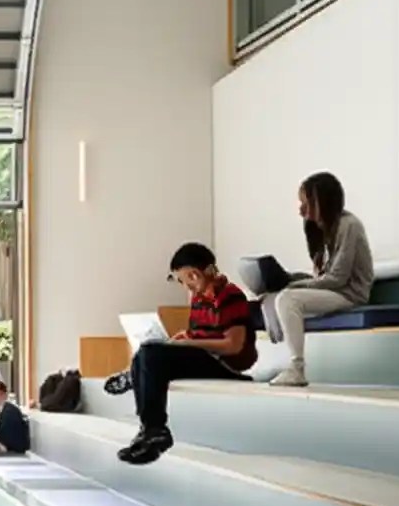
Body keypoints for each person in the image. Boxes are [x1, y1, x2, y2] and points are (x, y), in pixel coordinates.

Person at [104, 243, 255, 465]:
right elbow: (197, 334)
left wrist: (190, 343)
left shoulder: (231, 296)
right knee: (147, 351)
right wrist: (178, 341)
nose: (186, 287)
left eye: (184, 280)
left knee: (151, 356)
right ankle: (148, 424)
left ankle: (154, 427)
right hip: (204, 356)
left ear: (194, 274)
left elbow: (233, 346)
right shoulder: (198, 298)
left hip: (225, 364)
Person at [263, 172, 373, 387]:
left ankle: (296, 368)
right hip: (334, 290)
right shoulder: (321, 228)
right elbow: (323, 276)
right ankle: (285, 362)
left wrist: (293, 285)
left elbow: (338, 279)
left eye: (307, 203)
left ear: (324, 201)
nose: (301, 209)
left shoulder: (349, 225)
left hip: (349, 294)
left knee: (287, 299)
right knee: (274, 296)